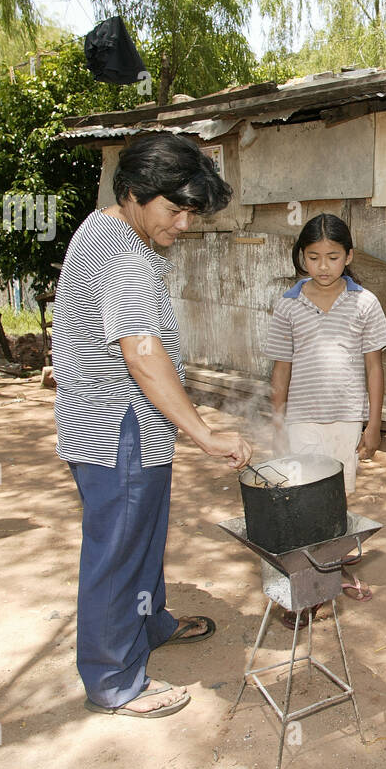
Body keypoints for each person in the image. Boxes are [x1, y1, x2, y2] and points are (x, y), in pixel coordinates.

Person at [54, 132, 252, 719]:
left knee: (142, 535)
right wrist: (206, 434)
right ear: (135, 194)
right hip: (115, 425)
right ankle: (114, 681)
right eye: (174, 210)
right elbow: (142, 355)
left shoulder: (109, 230)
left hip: (129, 422)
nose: (184, 225)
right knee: (116, 551)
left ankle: (151, 623)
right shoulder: (120, 253)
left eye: (191, 211)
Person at [264, 213, 386, 609]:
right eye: (314, 256)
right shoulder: (287, 305)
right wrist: (276, 420)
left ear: (349, 256)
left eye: (333, 257)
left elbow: (374, 366)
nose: (324, 266)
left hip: (346, 419)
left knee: (336, 498)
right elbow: (280, 368)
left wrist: (373, 424)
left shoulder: (364, 303)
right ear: (302, 257)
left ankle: (332, 570)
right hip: (302, 418)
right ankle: (309, 585)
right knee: (304, 499)